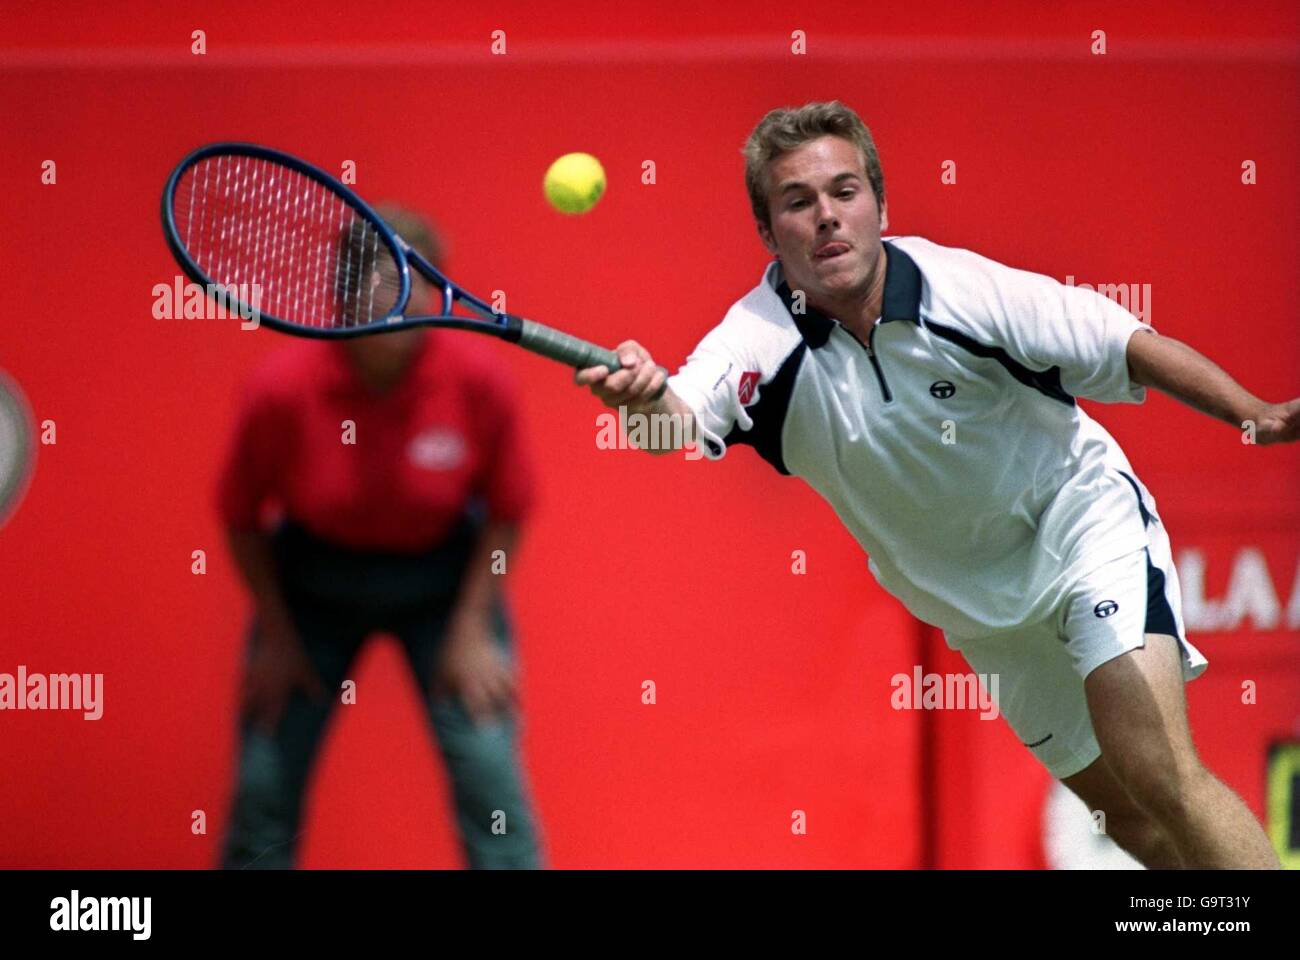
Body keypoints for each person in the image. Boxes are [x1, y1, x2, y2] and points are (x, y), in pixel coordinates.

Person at [576, 100, 1297, 869]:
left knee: (1156, 770)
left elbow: (1124, 342)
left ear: (880, 206)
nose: (826, 217)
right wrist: (641, 401)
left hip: (1080, 526)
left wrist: (1252, 412)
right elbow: (679, 425)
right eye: (797, 202)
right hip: (984, 615)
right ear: (767, 231)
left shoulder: (965, 291)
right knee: (1129, 819)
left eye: (844, 193)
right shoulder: (758, 338)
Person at [218, 206, 543, 869]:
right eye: (384, 280)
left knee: (489, 772)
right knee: (263, 787)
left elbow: (508, 511)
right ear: (342, 299)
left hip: (444, 582)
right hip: (310, 585)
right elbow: (240, 516)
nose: (407, 298)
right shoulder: (282, 391)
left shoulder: (477, 382)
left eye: (422, 281)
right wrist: (278, 637)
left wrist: (473, 628)